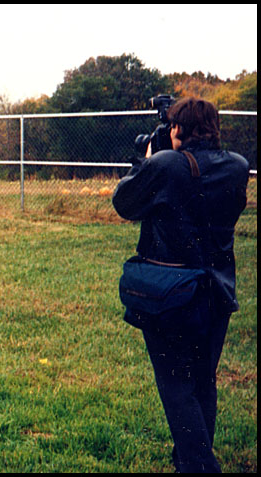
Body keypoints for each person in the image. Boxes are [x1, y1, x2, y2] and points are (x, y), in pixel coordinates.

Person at [113, 97, 249, 472]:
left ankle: (199, 465)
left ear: (177, 129)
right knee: (203, 381)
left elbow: (124, 203)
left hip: (172, 292)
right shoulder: (237, 167)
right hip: (218, 291)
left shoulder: (166, 165)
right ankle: (188, 459)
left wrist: (145, 162)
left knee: (176, 385)